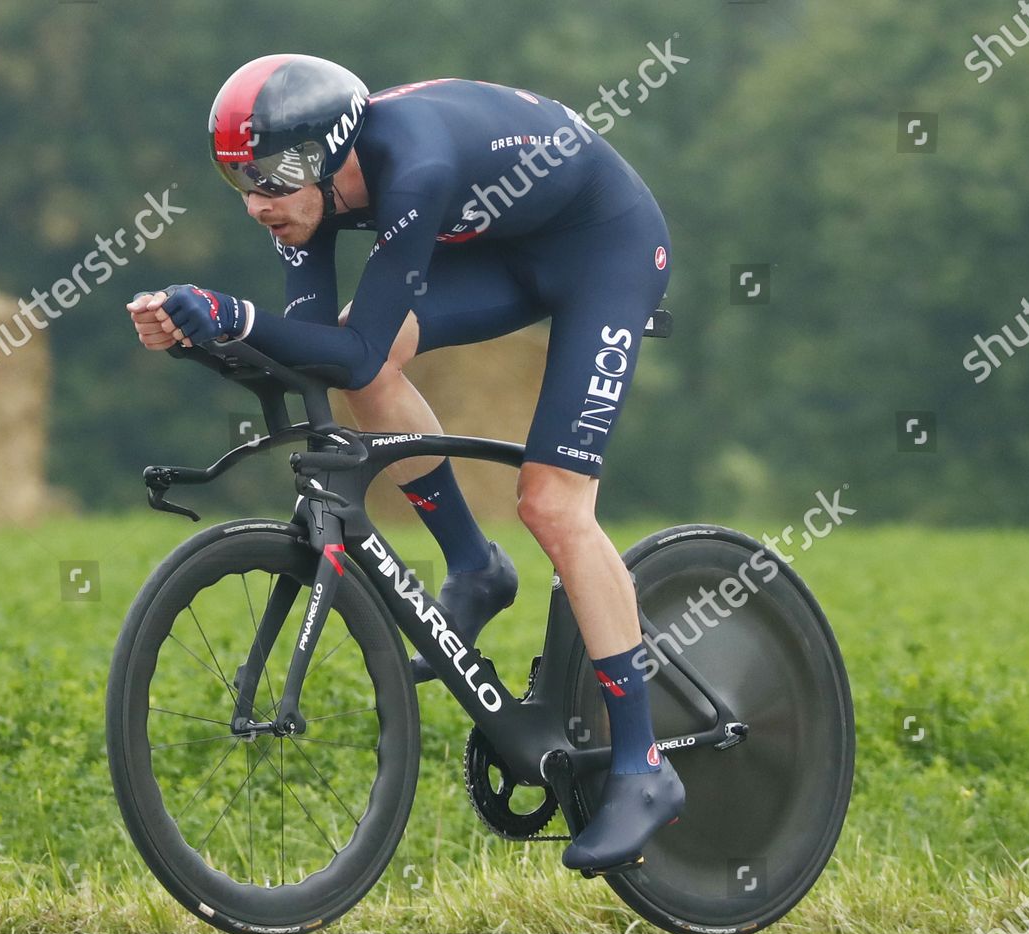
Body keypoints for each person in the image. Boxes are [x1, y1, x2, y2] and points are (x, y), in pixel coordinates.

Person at [126, 54, 681, 873]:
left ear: (334, 146)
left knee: (552, 505)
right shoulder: (305, 199)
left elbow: (346, 352)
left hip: (606, 246)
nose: (256, 203)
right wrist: (206, 334)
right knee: (372, 364)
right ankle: (474, 566)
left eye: (273, 177)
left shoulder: (414, 166)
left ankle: (643, 763)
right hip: (505, 247)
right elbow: (319, 354)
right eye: (238, 179)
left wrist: (234, 313)